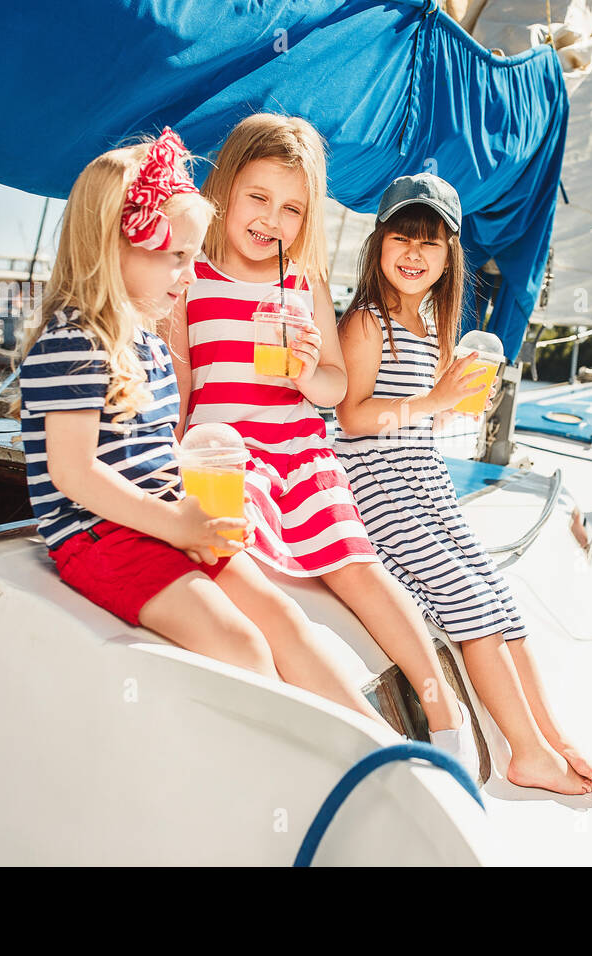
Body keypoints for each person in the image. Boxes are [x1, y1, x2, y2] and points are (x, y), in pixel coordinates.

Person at [18, 128, 384, 725]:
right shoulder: (72, 344)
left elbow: (162, 453)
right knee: (240, 644)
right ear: (114, 245)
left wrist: (193, 515)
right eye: (177, 258)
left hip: (165, 523)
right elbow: (74, 474)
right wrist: (177, 523)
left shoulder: (154, 350)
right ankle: (291, 767)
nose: (190, 276)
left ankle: (380, 751)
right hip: (101, 539)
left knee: (286, 619)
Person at [163, 115, 477, 763]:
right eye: (258, 199)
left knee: (360, 569)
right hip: (231, 454)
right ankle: (338, 721)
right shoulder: (190, 283)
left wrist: (309, 370)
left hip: (300, 453)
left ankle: (444, 713)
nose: (271, 220)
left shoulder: (302, 287)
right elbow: (181, 387)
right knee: (247, 567)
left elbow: (335, 386)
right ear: (225, 191)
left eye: (292, 209)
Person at [334, 173, 592, 795]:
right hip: (380, 489)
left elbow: (424, 409)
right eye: (401, 238)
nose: (413, 253)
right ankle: (527, 753)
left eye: (430, 244)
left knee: (501, 601)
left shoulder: (432, 322)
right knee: (468, 604)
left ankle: (552, 734)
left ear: (449, 255)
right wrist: (432, 398)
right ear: (378, 243)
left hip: (423, 480)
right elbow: (352, 416)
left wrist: (453, 405)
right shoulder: (368, 322)